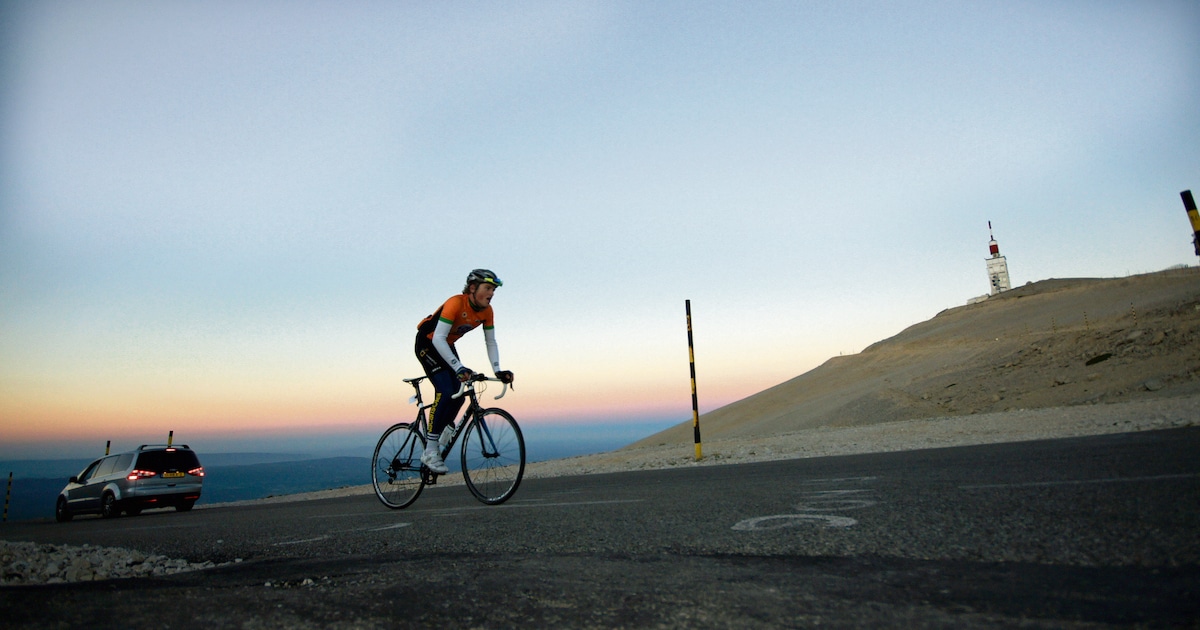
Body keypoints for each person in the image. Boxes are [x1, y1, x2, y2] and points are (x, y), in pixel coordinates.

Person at [414, 269, 515, 474]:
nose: (491, 293)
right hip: (428, 343)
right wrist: (458, 367)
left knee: (459, 394)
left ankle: (443, 429)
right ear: (472, 288)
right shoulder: (455, 303)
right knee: (445, 389)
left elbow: (491, 341)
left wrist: (497, 370)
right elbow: (438, 339)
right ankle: (430, 450)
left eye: (493, 290)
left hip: (445, 345)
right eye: (488, 288)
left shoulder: (487, 311)